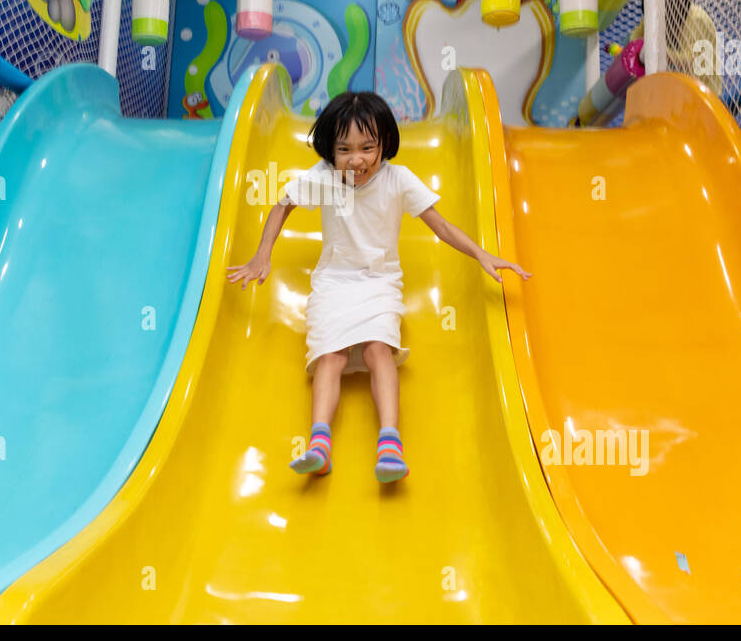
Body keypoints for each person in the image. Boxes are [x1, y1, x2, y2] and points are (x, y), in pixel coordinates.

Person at [226, 91, 531, 483]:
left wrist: (482, 255)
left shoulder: (397, 179)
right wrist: (261, 255)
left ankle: (390, 443)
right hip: (334, 283)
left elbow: (440, 225)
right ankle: (319, 444)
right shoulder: (324, 177)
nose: (357, 159)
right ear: (329, 151)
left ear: (384, 143)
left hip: (379, 283)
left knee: (378, 351)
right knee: (329, 356)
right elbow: (282, 205)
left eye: (367, 147)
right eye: (345, 149)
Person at [632, 0, 722, 95]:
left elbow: (691, 61)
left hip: (703, 89)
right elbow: (637, 34)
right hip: (674, 84)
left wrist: (666, 55)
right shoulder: (656, 13)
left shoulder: (697, 21)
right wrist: (637, 47)